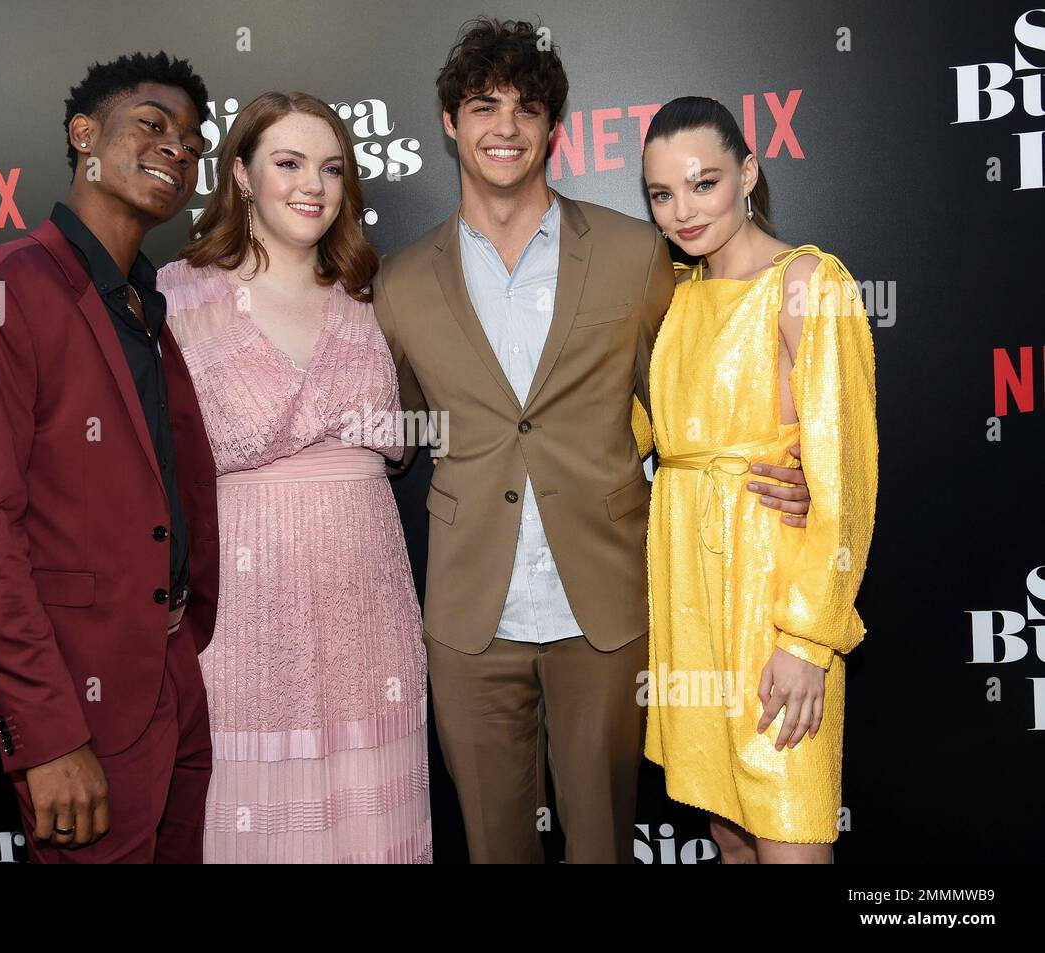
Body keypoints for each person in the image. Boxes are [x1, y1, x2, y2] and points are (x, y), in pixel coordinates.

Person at [372, 19, 811, 863]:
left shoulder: (635, 253)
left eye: (527, 108)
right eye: (483, 105)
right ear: (449, 123)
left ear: (553, 129)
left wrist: (786, 465)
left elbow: (690, 392)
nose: (505, 127)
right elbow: (395, 433)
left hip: (606, 609)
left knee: (605, 843)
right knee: (496, 847)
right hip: (471, 617)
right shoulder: (397, 282)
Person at [0, 52, 218, 863]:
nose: (177, 149)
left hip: (169, 672)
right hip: (79, 701)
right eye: (152, 125)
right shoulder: (3, 288)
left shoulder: (141, 304)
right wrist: (48, 738)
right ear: (83, 135)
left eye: (194, 143)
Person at [157, 91, 432, 863]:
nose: (313, 184)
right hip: (244, 612)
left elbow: (415, 432)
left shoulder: (372, 295)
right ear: (242, 174)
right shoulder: (178, 298)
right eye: (288, 163)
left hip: (367, 604)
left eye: (332, 168)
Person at [641, 95, 879, 863]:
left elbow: (845, 479)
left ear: (748, 173)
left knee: (790, 835)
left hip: (776, 611)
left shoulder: (808, 282)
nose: (683, 210)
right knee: (728, 837)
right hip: (693, 615)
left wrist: (807, 641)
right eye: (662, 194)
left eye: (703, 183)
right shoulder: (675, 301)